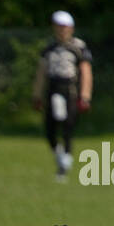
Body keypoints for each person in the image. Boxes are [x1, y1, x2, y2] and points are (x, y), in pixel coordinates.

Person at [31, 11, 92, 182]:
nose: (61, 30)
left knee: (67, 126)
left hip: (70, 91)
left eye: (64, 27)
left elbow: (86, 72)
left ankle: (65, 163)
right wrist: (36, 95)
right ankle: (60, 157)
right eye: (58, 27)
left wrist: (85, 96)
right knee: (50, 129)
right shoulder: (49, 48)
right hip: (52, 90)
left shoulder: (78, 47)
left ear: (70, 28)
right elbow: (41, 73)